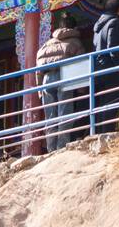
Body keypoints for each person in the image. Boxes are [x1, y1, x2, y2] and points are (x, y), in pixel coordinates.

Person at [37, 18, 87, 151]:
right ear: (74, 28)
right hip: (65, 76)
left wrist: (39, 90)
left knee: (50, 116)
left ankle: (51, 149)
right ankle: (61, 147)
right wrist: (82, 87)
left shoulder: (47, 44)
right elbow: (80, 65)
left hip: (46, 79)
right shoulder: (76, 42)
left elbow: (38, 67)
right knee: (64, 113)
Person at [92, 0, 119, 133]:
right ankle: (106, 132)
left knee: (102, 101)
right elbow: (112, 47)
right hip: (110, 68)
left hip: (98, 68)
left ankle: (98, 132)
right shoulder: (115, 22)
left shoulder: (98, 26)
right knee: (111, 101)